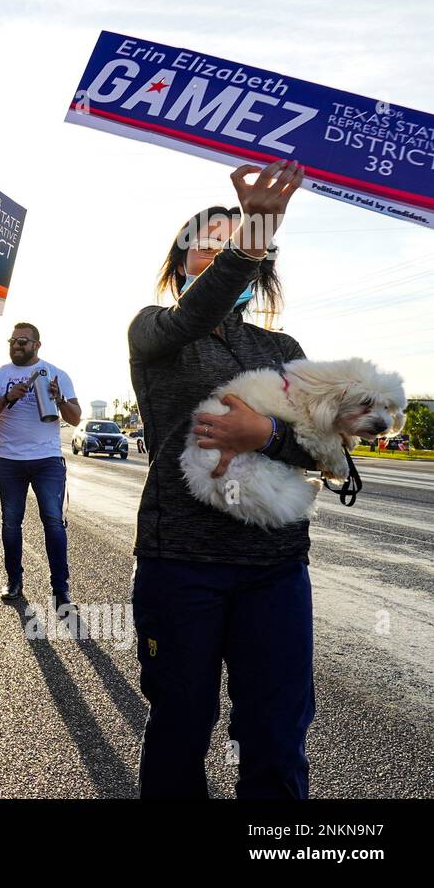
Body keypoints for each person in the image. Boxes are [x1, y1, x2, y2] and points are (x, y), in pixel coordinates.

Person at [129, 160, 322, 799]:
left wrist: (266, 436)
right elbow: (194, 314)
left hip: (274, 568)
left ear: (259, 266)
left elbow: (325, 447)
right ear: (179, 263)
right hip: (182, 563)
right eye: (204, 243)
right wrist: (256, 228)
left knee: (275, 736)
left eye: (232, 240)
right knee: (181, 728)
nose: (216, 251)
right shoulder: (155, 331)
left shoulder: (281, 347)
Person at [0, 322, 81, 608]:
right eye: (13, 340)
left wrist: (58, 398)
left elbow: (75, 418)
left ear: (37, 345)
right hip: (10, 460)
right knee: (11, 523)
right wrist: (9, 396)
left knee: (53, 522)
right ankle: (14, 581)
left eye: (23, 341)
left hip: (47, 460)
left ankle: (61, 590)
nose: (16, 345)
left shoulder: (57, 373)